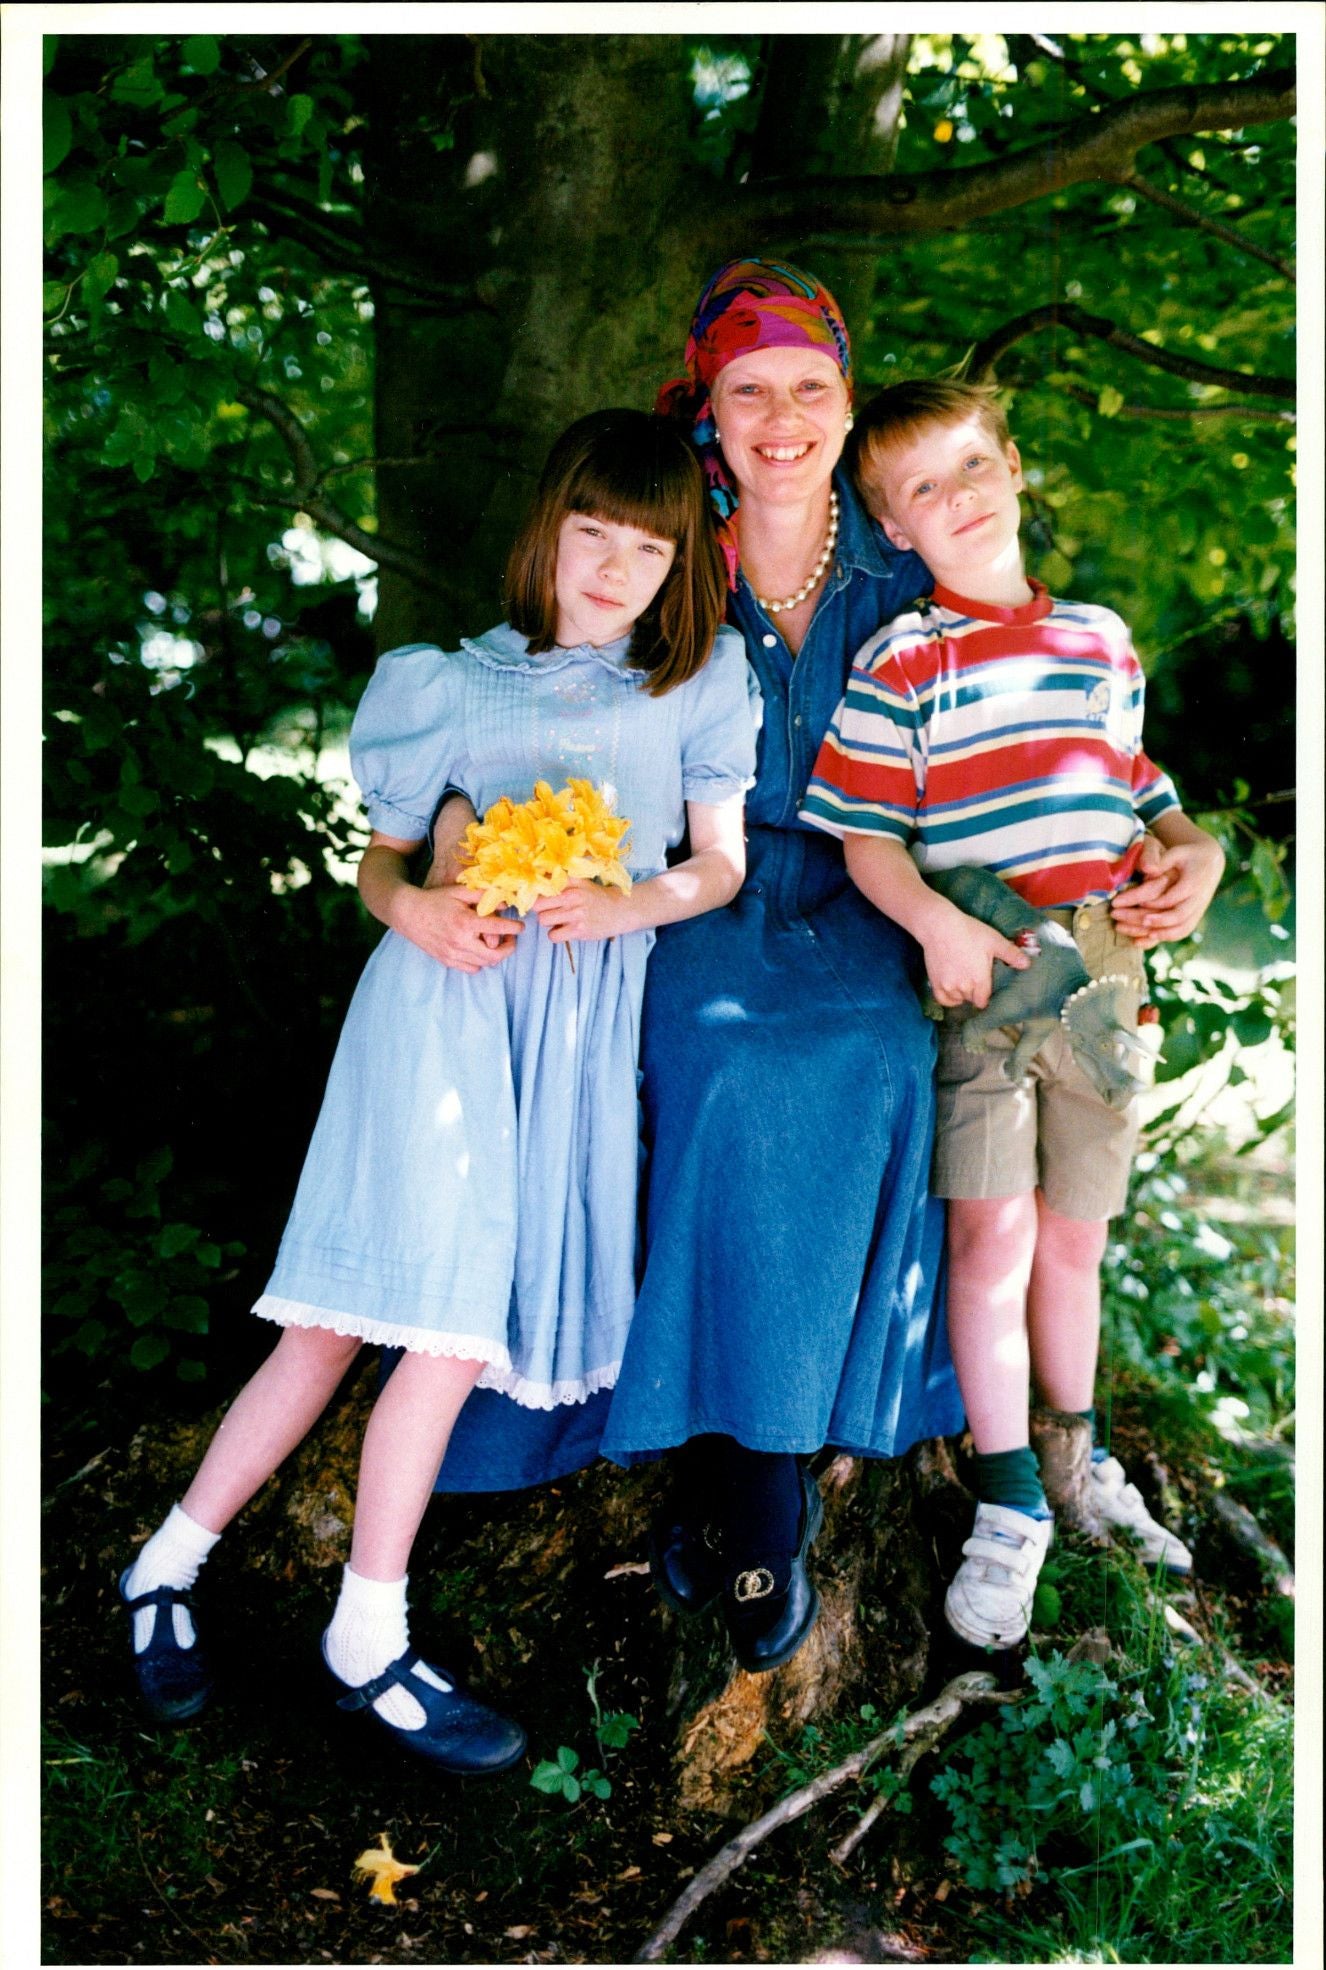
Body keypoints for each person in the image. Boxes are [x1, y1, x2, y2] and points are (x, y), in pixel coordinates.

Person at [117, 410, 758, 1766]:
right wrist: (412, 908)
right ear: (548, 529)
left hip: (569, 1035)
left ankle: (272, 1595)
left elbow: (720, 865)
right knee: (351, 1324)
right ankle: (234, 1589)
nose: (614, 567)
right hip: (441, 1014)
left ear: (680, 565)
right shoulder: (452, 684)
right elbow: (381, 860)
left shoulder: (696, 684)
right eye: (592, 532)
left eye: (648, 548)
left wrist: (628, 900)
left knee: (430, 1331)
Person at [801, 377, 1225, 1648]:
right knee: (991, 1234)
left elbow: (1133, 778)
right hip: (982, 974)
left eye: (972, 466)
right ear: (894, 528)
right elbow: (869, 837)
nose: (959, 498)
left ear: (1016, 467)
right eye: (923, 489)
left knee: (1076, 1236)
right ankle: (1008, 1499)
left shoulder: (1100, 638)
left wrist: (1193, 846)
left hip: (1106, 976)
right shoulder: (903, 659)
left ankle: (1077, 1461)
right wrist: (936, 925)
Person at [592, 257, 966, 1675]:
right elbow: (560, 674)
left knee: (874, 1057)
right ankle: (758, 1488)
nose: (782, 417)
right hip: (701, 879)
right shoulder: (668, 547)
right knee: (713, 1053)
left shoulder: (902, 560)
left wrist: (1164, 834)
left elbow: (1035, 694)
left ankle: (747, 1466)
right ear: (710, 406)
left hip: (868, 886)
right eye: (749, 389)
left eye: (810, 387)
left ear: (846, 401)